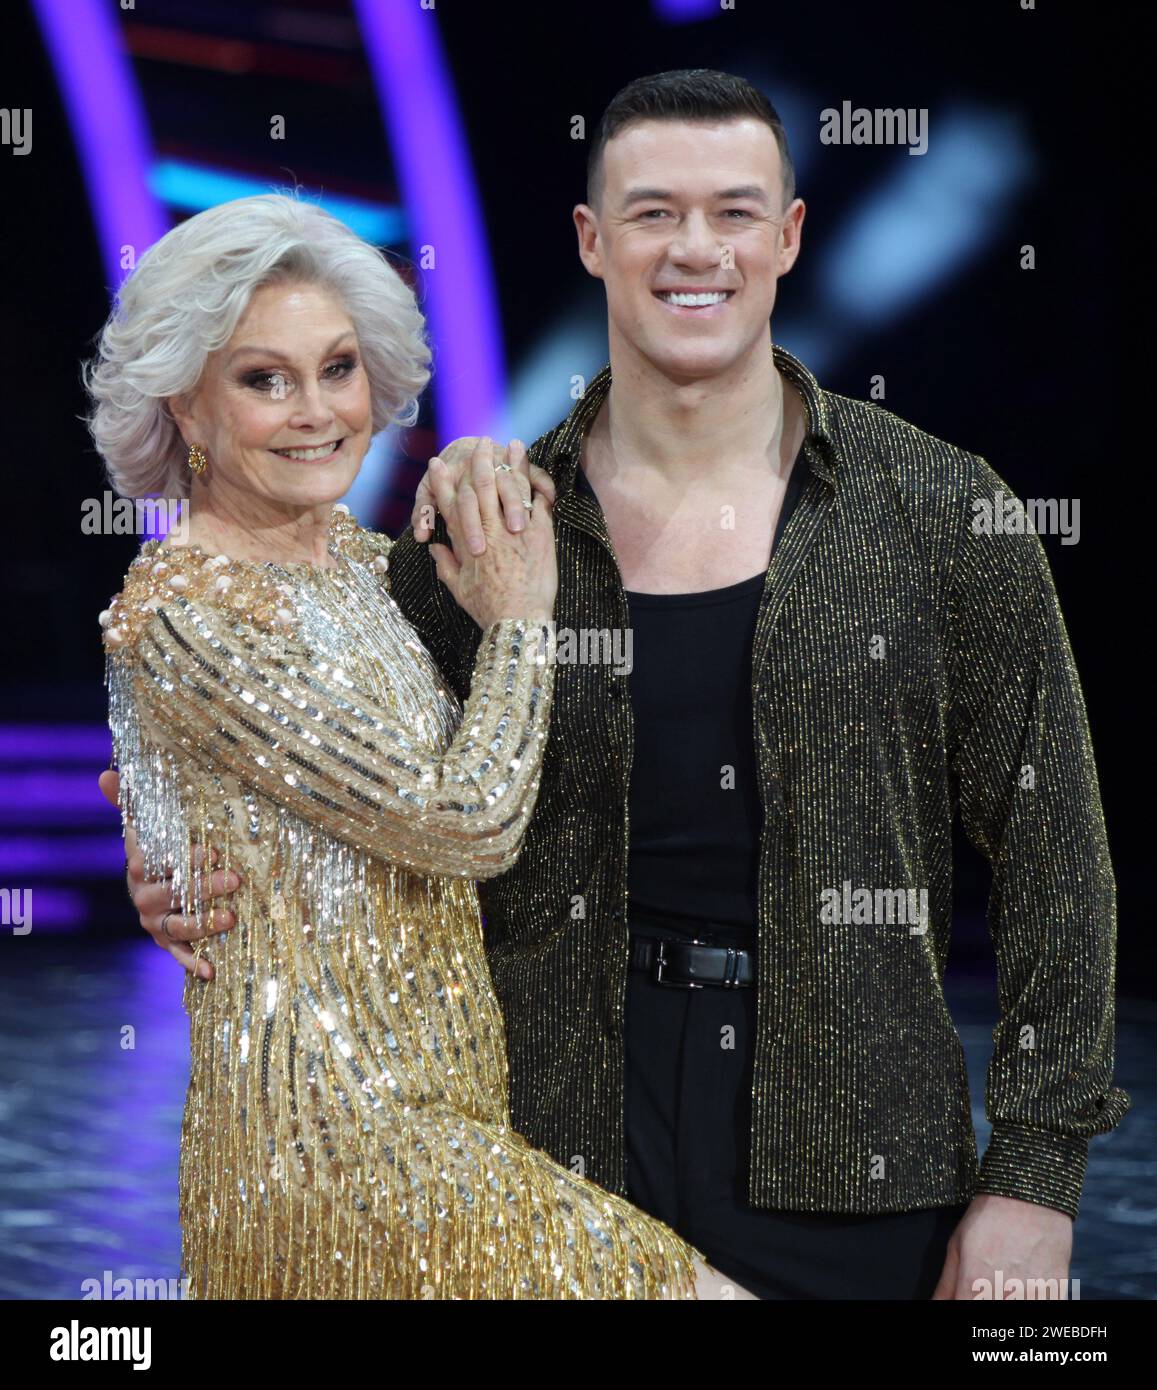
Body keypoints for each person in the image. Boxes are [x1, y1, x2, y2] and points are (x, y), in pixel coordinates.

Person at [120, 70, 1130, 1300]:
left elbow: (1055, 856)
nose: (693, 250)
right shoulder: (483, 536)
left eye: (733, 212)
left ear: (789, 237)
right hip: (554, 1145)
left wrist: (1032, 1176)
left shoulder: (936, 510)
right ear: (592, 242)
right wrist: (180, 845)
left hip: (857, 1154)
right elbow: (359, 771)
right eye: (652, 213)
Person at [90, 191, 750, 1300]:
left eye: (338, 368)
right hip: (334, 1150)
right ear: (186, 409)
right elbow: (464, 821)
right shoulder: (187, 608)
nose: (315, 411)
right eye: (264, 379)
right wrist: (522, 624)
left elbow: (216, 797)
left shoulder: (352, 562)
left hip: (448, 1112)